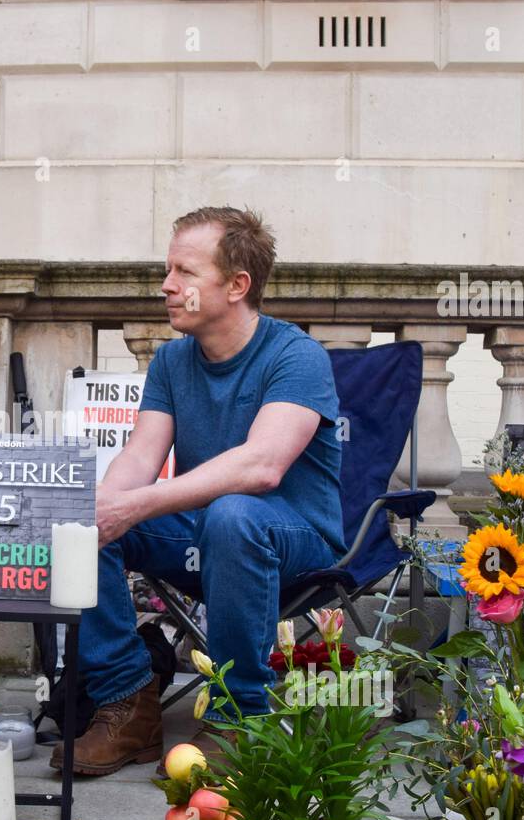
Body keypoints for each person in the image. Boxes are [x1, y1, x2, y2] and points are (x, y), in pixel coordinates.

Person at [51, 206, 345, 776]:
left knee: (233, 515)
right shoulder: (172, 360)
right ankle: (127, 704)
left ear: (237, 285)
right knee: (85, 520)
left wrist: (139, 504)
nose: (166, 286)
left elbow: (262, 467)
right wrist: (103, 510)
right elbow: (140, 455)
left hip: (293, 539)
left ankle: (238, 716)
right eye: (168, 270)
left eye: (184, 272)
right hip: (203, 531)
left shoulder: (297, 357)